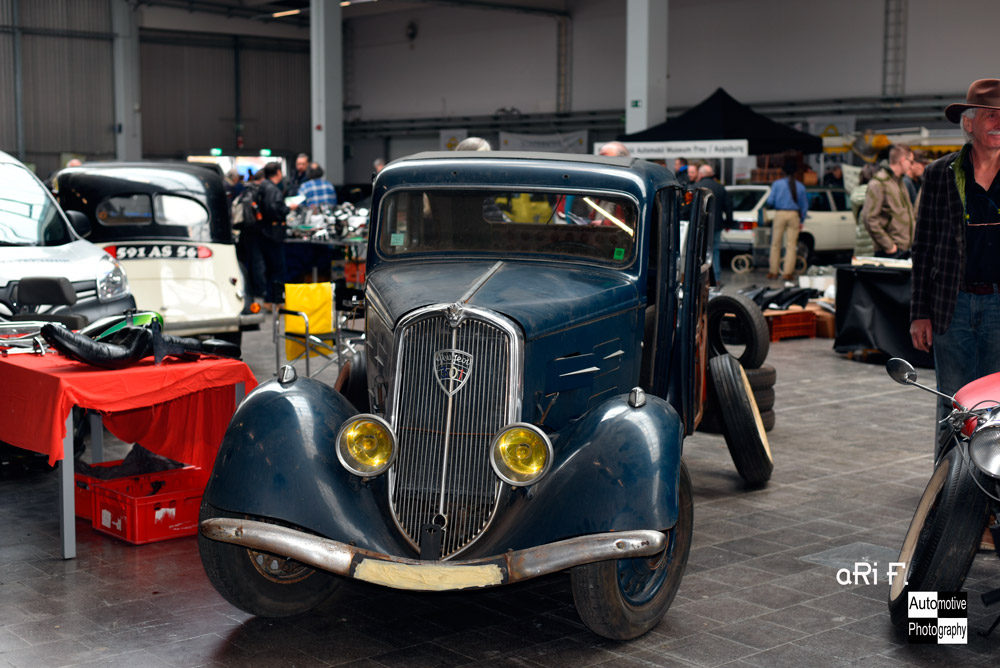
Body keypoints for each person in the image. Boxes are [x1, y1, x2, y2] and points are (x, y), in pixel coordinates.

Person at [911, 78, 1000, 452]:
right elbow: (923, 247)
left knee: (996, 404)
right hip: (953, 305)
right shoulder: (940, 174)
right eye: (991, 115)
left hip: (999, 304)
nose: (999, 123)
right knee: (954, 403)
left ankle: (991, 493)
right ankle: (949, 492)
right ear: (969, 123)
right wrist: (920, 313)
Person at [861, 145, 915, 259]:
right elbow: (869, 218)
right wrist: (889, 245)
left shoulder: (899, 182)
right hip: (890, 252)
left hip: (904, 249)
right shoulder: (879, 183)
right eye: (911, 161)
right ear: (902, 160)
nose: (912, 165)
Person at [258, 161, 298, 308]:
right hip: (274, 234)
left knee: (270, 268)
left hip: (264, 232)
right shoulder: (273, 189)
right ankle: (276, 301)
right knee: (279, 268)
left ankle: (269, 299)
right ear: (278, 173)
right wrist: (287, 209)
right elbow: (274, 209)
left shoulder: (262, 186)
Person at [765, 162, 808, 280]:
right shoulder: (800, 186)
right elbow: (804, 205)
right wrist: (802, 219)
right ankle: (788, 273)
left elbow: (770, 201)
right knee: (791, 245)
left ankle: (773, 271)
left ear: (783, 172)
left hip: (780, 213)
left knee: (775, 244)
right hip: (794, 215)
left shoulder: (777, 184)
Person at [694, 164, 732, 283]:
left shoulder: (696, 187)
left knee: (699, 251)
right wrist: (728, 223)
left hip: (700, 225)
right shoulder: (720, 188)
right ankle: (716, 278)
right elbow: (729, 207)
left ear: (701, 174)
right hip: (716, 225)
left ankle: (700, 278)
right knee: (714, 250)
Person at [850, 163, 877, 257]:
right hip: (873, 237)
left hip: (860, 234)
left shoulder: (855, 193)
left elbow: (855, 216)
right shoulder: (876, 191)